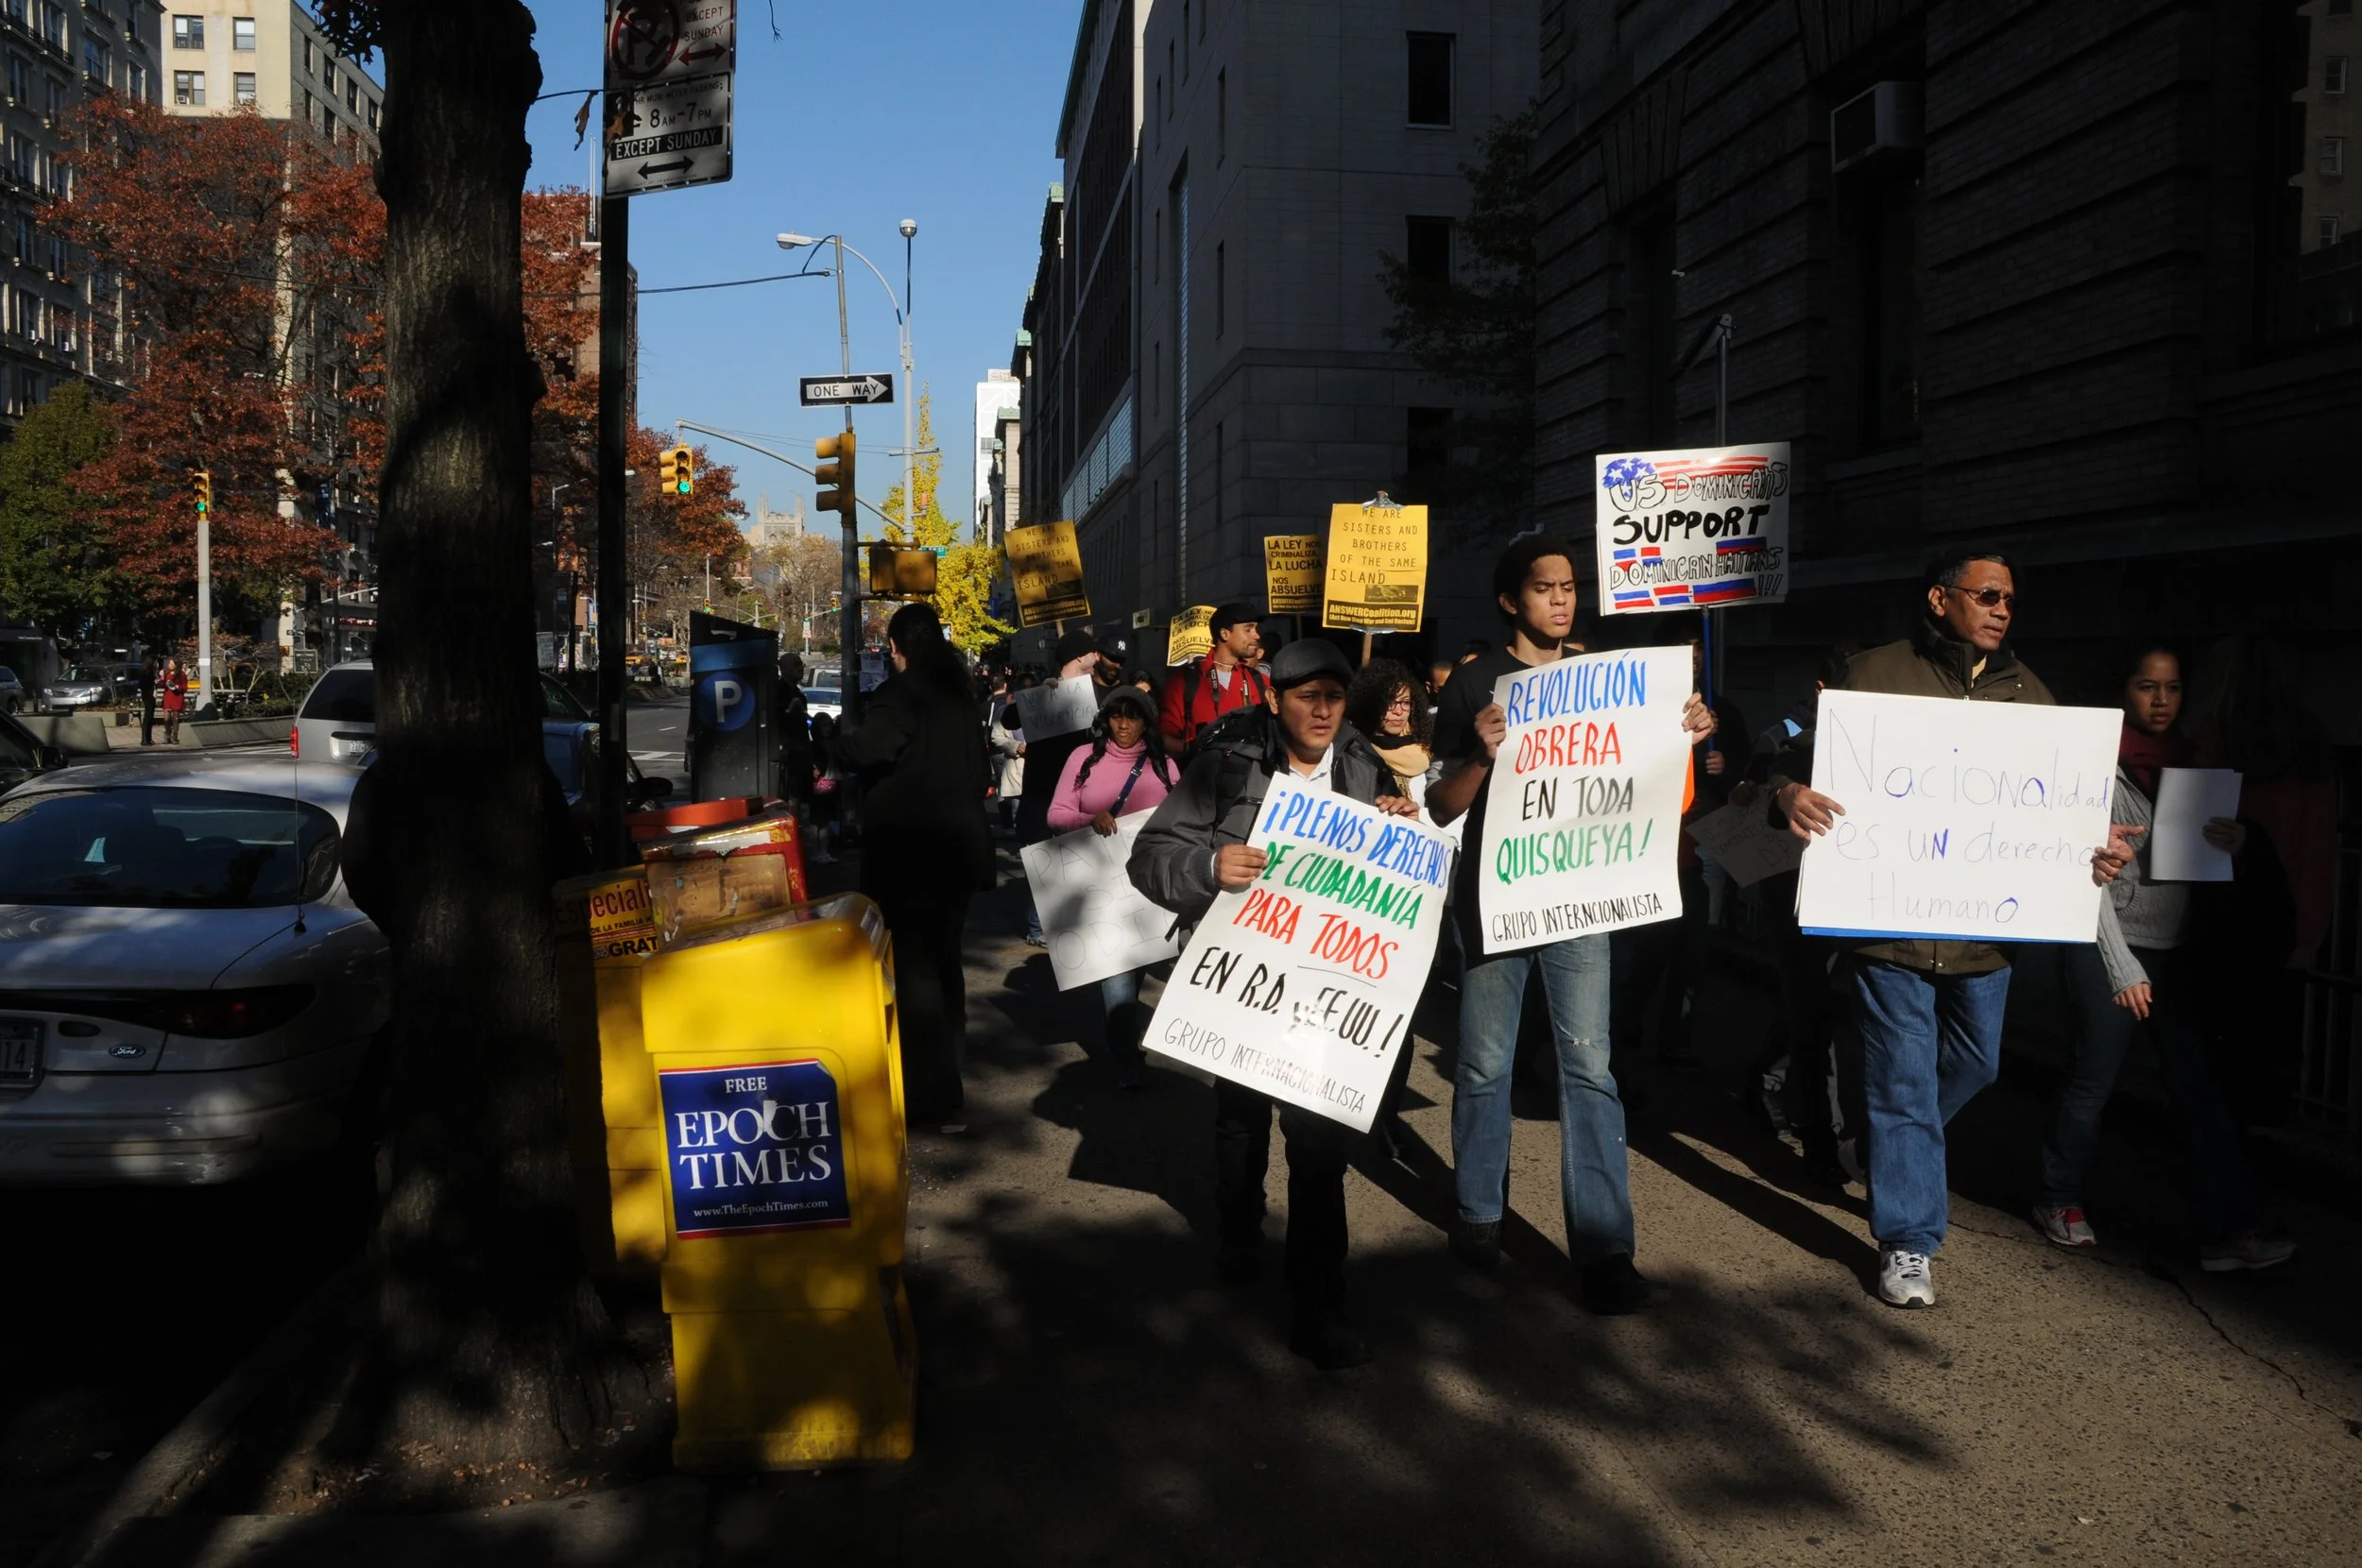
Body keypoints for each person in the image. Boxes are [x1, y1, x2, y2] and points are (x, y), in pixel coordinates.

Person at [1770, 549, 2138, 1309]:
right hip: (1888, 929)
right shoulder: (1872, 676)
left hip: (1986, 936)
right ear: (1940, 599)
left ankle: (1887, 1144)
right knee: (1904, 1079)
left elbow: (2062, 820)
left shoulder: (2032, 697)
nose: (2004, 608)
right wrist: (1788, 794)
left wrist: (2093, 857)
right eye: (1988, 594)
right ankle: (1908, 1242)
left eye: (2011, 598)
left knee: (1976, 1065)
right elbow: (1785, 762)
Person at [1427, 535, 1718, 1315]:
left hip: (1581, 905)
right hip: (1495, 903)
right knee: (1485, 1065)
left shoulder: (1612, 679)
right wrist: (1482, 758)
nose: (1561, 599)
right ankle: (1480, 1214)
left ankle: (1604, 1248)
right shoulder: (1475, 683)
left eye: (1568, 587)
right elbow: (1440, 803)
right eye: (1543, 588)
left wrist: (1683, 732)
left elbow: (1662, 788)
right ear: (1508, 600)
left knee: (1589, 1069)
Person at [1129, 639, 1419, 1369]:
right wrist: (1206, 865)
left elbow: (1390, 871)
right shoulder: (1227, 764)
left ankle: (1320, 1308)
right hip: (1242, 990)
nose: (1323, 710)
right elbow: (1150, 856)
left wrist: (1395, 820)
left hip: (1323, 997)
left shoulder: (1361, 763)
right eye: (1306, 696)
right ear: (1273, 699)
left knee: (1319, 1151)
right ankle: (1238, 1229)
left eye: (1334, 696)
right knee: (1240, 1123)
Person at [2034, 642, 2297, 1271]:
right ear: (2122, 689)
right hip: (2107, 946)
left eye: (2173, 688)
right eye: (2147, 686)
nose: (2160, 700)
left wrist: (2235, 847)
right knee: (2092, 1081)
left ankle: (2227, 1232)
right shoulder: (2096, 765)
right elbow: (2082, 877)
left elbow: (2196, 879)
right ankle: (2058, 1198)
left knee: (2198, 1090)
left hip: (2175, 955)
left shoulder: (2193, 766)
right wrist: (2123, 968)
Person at [833, 603, 996, 1125]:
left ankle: (933, 1096)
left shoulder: (903, 695)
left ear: (900, 649)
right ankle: (949, 1083)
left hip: (913, 857)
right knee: (945, 968)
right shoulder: (960, 695)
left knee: (917, 975)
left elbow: (870, 750)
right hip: (959, 856)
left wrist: (835, 744)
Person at [1046, 685, 1178, 1088]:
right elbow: (1056, 814)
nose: (1124, 724)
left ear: (1146, 722)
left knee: (1136, 965)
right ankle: (1125, 1055)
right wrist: (1089, 821)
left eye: (1133, 716)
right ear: (1105, 718)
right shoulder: (1083, 758)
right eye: (1117, 715)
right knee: (1117, 966)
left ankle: (1121, 1040)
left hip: (1149, 883)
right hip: (1100, 882)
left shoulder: (1165, 765)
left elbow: (1185, 817)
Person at [1015, 631, 1121, 945]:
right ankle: (1038, 928)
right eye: (1092, 653)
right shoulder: (1044, 691)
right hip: (1042, 790)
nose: (1097, 658)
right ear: (1079, 657)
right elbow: (1010, 718)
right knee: (1041, 860)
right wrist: (1040, 693)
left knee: (1076, 861)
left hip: (1078, 791)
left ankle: (1071, 926)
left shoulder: (1095, 694)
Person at [1158, 601, 1268, 752]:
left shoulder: (1261, 682)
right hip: (1201, 772)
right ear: (1225, 634)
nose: (1256, 635)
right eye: (1248, 629)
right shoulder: (1184, 682)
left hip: (1250, 774)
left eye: (1256, 629)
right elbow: (1164, 738)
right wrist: (1197, 748)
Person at [1345, 657, 1433, 817]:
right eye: (1390, 702)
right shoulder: (1354, 749)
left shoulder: (1427, 747)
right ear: (1370, 705)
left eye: (1405, 702)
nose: (1399, 712)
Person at [776, 652, 813, 810]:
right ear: (783, 668)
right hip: (787, 754)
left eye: (801, 665)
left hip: (800, 752)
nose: (800, 668)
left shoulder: (799, 695)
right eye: (796, 665)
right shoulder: (777, 692)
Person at [807, 711, 845, 863]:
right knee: (819, 820)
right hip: (822, 785)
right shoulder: (819, 746)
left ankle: (820, 852)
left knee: (822, 821)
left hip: (826, 785)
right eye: (824, 726)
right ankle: (819, 852)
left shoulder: (826, 744)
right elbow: (814, 766)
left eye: (829, 725)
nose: (828, 729)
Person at [987, 703, 1025, 833]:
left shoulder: (1042, 708)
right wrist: (1015, 746)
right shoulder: (1003, 711)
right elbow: (996, 737)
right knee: (1018, 809)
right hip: (1017, 765)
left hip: (1038, 768)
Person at [160, 657, 185, 744]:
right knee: (166, 718)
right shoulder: (166, 673)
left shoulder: (181, 674)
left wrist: (178, 687)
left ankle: (175, 736)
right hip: (168, 697)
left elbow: (185, 687)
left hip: (177, 697)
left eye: (171, 663)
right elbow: (162, 685)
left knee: (175, 718)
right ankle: (167, 735)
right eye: (169, 663)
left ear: (176, 664)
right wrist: (162, 677)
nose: (169, 665)